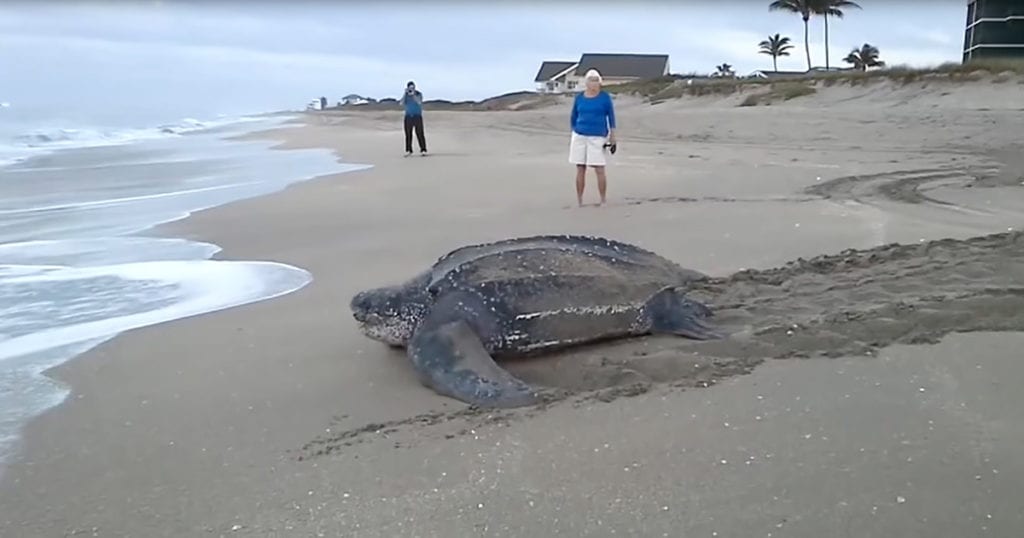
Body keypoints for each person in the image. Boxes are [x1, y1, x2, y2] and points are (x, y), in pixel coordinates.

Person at [568, 69, 616, 206]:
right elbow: (573, 116)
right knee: (580, 167)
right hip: (580, 135)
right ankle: (579, 201)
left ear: (600, 83)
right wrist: (575, 130)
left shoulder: (604, 98)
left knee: (599, 168)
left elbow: (611, 117)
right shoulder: (579, 98)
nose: (594, 84)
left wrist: (612, 136)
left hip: (598, 136)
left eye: (596, 81)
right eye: (591, 81)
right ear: (586, 83)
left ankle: (603, 200)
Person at [400, 81, 428, 156]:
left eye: (413, 87)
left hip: (417, 116)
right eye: (410, 87)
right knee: (408, 134)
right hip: (408, 116)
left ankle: (423, 149)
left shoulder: (418, 94)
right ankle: (409, 150)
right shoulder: (406, 95)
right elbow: (401, 103)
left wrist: (413, 95)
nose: (411, 89)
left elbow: (419, 102)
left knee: (420, 133)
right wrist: (405, 94)